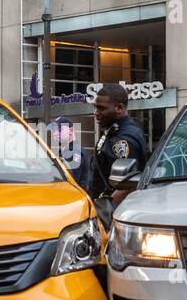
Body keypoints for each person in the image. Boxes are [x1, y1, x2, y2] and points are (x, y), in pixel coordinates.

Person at [87, 83, 148, 217]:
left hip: (116, 214)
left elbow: (128, 184)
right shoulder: (113, 131)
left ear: (119, 108)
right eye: (95, 107)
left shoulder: (125, 138)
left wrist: (102, 213)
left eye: (101, 108)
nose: (96, 113)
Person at [50, 116, 89, 192]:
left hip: (73, 198)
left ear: (71, 130)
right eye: (53, 130)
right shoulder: (65, 150)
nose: (55, 133)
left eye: (59, 129)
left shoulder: (74, 151)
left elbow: (69, 182)